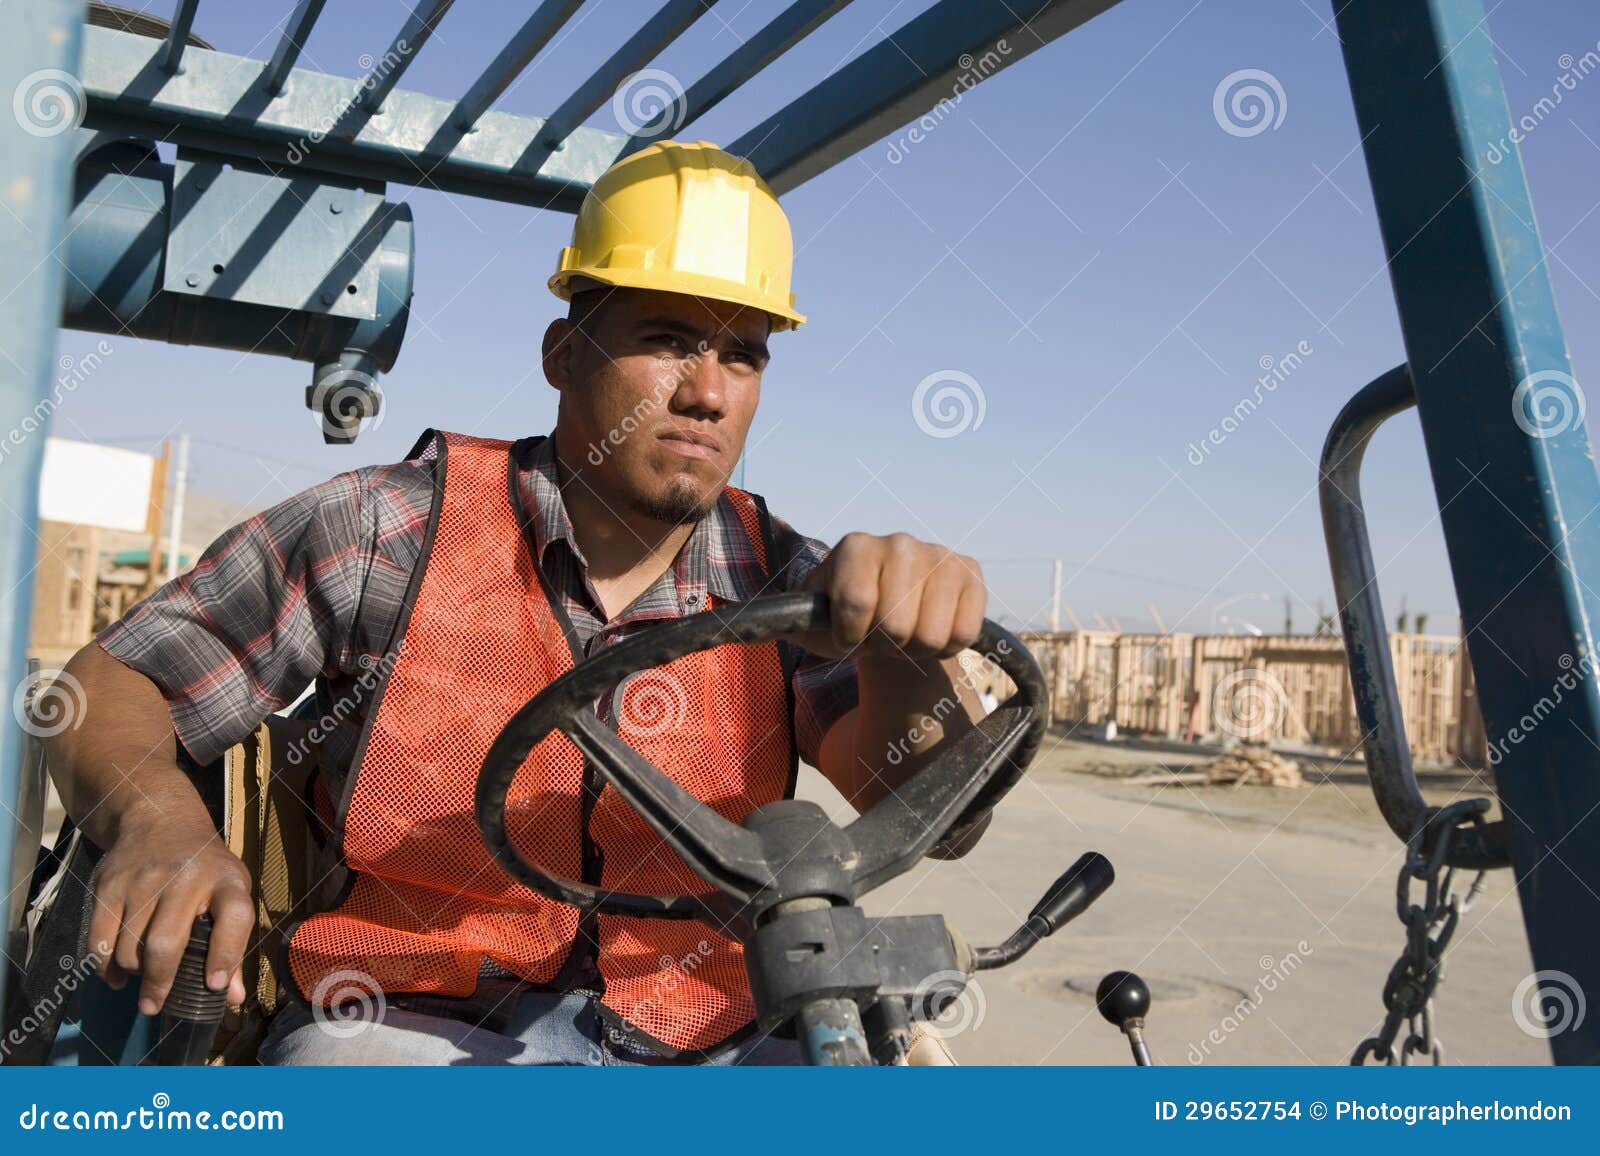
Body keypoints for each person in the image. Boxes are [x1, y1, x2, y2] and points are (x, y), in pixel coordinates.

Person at [45, 141, 990, 1066]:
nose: (708, 392)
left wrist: (907, 662)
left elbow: (933, 817)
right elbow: (112, 680)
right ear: (563, 353)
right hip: (403, 1021)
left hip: (708, 1034)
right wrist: (160, 821)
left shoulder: (784, 580)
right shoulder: (387, 531)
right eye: (666, 340)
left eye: (742, 357)